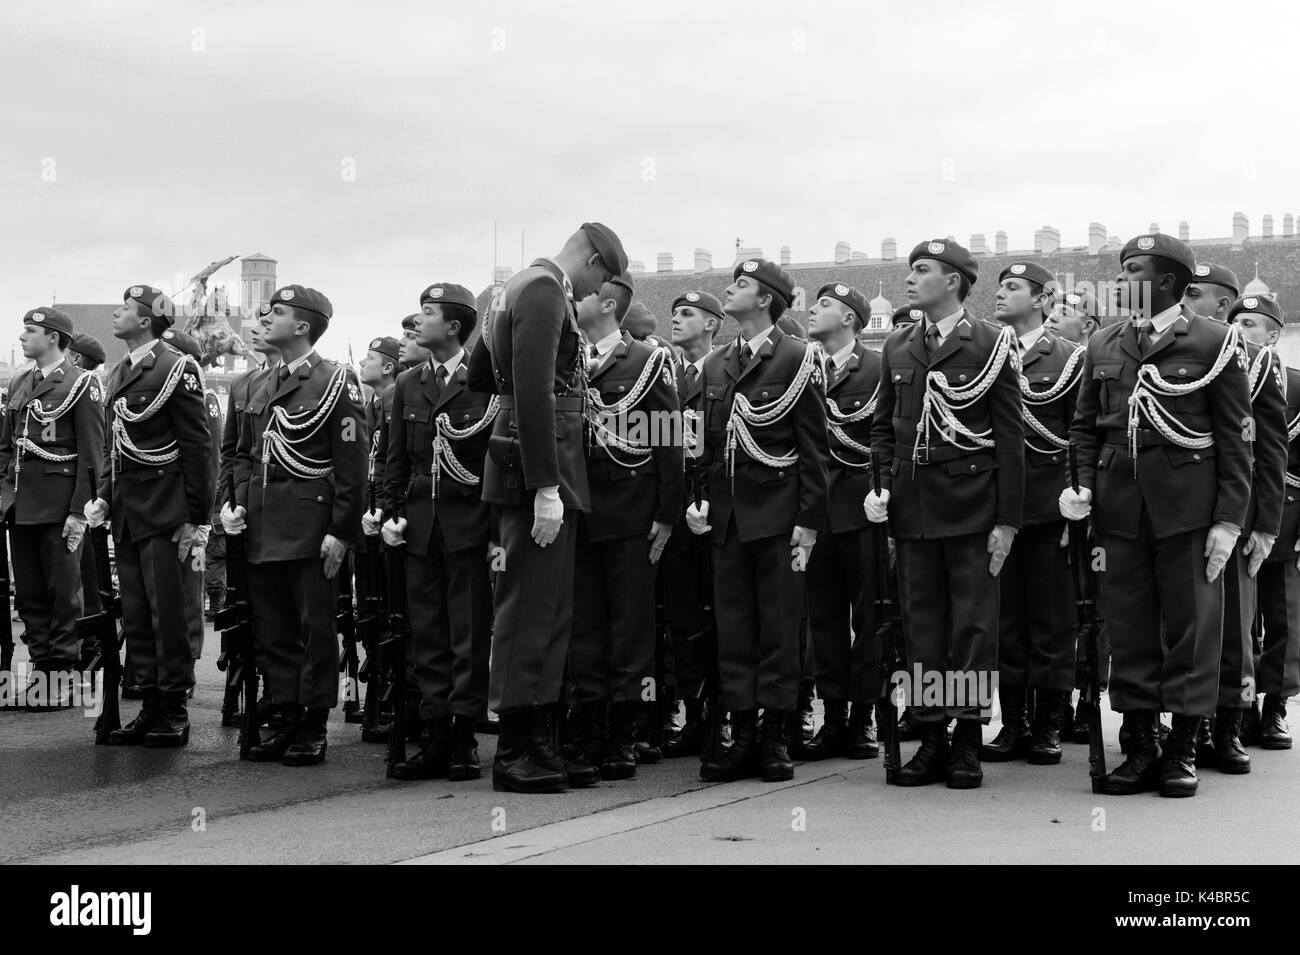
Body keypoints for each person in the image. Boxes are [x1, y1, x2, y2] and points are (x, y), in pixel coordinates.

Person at [1064, 233, 1253, 798]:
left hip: (1188, 513)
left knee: (1192, 629)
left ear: (1167, 282)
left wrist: (1227, 520)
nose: (1119, 280)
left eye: (1132, 270)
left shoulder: (1216, 340)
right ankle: (1142, 742)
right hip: (1121, 511)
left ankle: (1182, 747)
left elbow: (1235, 438)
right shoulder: (1103, 343)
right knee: (1129, 627)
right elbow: (1084, 427)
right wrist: (1079, 487)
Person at [466, 222, 627, 793]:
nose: (594, 291)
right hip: (540, 468)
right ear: (589, 259)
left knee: (549, 611)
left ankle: (537, 741)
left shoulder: (516, 287)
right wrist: (545, 486)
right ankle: (516, 752)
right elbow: (533, 389)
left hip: (538, 458)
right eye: (600, 277)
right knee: (532, 612)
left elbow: (478, 374)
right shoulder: (542, 289)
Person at [866, 238, 1024, 789]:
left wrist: (1007, 521)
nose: (910, 279)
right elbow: (884, 427)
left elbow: (1009, 437)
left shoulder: (991, 343)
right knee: (924, 626)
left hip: (972, 509)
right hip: (912, 510)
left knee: (974, 629)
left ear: (954, 280)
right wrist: (880, 485)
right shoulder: (897, 346)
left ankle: (966, 740)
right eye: (910, 269)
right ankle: (931, 735)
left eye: (923, 270)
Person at [685, 258, 828, 783]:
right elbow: (703, 446)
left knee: (780, 630)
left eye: (741, 283)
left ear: (766, 298)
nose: (729, 288)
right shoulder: (717, 362)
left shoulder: (796, 357)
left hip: (779, 518)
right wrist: (698, 500)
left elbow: (815, 449)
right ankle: (741, 732)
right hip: (726, 520)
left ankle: (775, 736)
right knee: (735, 630)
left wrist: (810, 520)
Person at [221, 285, 365, 766]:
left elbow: (351, 464)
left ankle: (312, 722)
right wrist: (237, 503)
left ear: (302, 326)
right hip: (262, 525)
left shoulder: (334, 382)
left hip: (310, 527)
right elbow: (243, 454)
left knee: (314, 628)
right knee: (273, 628)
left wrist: (342, 531)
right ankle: (284, 712)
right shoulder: (260, 385)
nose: (267, 317)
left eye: (277, 312)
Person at [371, 284, 495, 781]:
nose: (417, 323)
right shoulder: (409, 383)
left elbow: (496, 460)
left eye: (428, 314)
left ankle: (464, 737)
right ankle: (434, 733)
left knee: (466, 634)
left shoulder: (484, 381)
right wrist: (389, 513)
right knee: (427, 635)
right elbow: (394, 460)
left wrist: (495, 531)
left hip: (468, 524)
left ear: (455, 327)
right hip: (420, 526)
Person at [84, 286, 213, 746]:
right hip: (127, 510)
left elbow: (199, 449)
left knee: (168, 613)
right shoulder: (120, 370)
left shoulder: (178, 368)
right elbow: (112, 445)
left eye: (123, 309)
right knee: (136, 613)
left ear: (144, 321)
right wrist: (103, 495)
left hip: (164, 510)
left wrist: (195, 518)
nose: (116, 313)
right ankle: (151, 703)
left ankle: (175, 706)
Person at [566, 272, 682, 782]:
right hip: (580, 512)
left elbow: (668, 440)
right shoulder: (568, 360)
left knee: (630, 629)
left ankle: (623, 733)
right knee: (585, 628)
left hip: (632, 513)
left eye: (585, 293)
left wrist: (665, 514)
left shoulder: (647, 362)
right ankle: (589, 725)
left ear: (608, 304)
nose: (576, 300)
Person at [981, 262, 1082, 766]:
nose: (1000, 293)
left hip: (1048, 509)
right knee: (1006, 621)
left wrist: (1075, 507)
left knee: (1052, 621)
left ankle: (1048, 724)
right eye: (999, 286)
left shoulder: (1069, 359)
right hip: (997, 510)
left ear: (1043, 299)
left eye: (1013, 287)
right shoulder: (982, 356)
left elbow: (1078, 438)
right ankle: (1013, 721)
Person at [0, 307, 104, 709]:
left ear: (55, 338)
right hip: (21, 505)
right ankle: (41, 671)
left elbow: (92, 454)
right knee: (28, 595)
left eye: (31, 331)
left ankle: (61, 676)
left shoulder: (81, 385)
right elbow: (6, 448)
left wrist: (80, 511)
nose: (23, 337)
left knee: (64, 595)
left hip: (60, 507)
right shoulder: (23, 381)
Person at [801, 283, 882, 760]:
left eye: (826, 304)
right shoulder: (800, 368)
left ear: (851, 318)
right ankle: (832, 717)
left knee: (870, 620)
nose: (814, 308)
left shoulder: (876, 367)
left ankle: (862, 718)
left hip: (861, 509)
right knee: (825, 621)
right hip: (814, 514)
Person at [1223, 294, 1294, 752]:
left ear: (1273, 335)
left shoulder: (1298, 384)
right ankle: (1240, 708)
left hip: (1286, 512)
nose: (1241, 330)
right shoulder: (1219, 376)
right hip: (1234, 510)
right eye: (1235, 322)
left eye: (1251, 323)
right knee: (1240, 618)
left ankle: (1275, 708)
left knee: (1284, 617)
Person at [660, 290, 724, 756]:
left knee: (720, 615)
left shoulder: (726, 373)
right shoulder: (668, 379)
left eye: (688, 314)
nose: (677, 320)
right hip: (680, 508)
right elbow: (665, 449)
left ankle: (722, 715)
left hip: (716, 509)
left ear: (711, 325)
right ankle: (694, 715)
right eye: (676, 313)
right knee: (683, 617)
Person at [158, 329, 221, 665]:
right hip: (163, 505)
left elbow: (208, 459)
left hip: (189, 509)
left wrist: (202, 517)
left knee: (187, 590)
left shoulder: (205, 400)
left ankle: (188, 658)